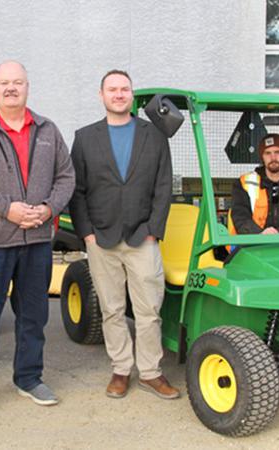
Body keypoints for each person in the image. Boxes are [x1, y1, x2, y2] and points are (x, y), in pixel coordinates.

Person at [0, 60, 75, 423]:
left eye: (17, 82)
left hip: (37, 240)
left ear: (27, 87)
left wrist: (47, 208)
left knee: (34, 316)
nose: (11, 88)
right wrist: (7, 209)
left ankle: (28, 378)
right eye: (4, 82)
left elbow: (66, 177)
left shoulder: (48, 129)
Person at [68, 70, 179, 400]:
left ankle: (150, 373)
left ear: (132, 95)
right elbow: (77, 191)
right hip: (101, 239)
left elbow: (163, 187)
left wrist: (153, 232)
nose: (119, 94)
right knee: (112, 310)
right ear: (101, 95)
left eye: (124, 89)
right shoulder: (85, 138)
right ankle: (120, 369)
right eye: (112, 89)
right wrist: (86, 233)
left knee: (149, 311)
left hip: (142, 237)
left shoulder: (154, 136)